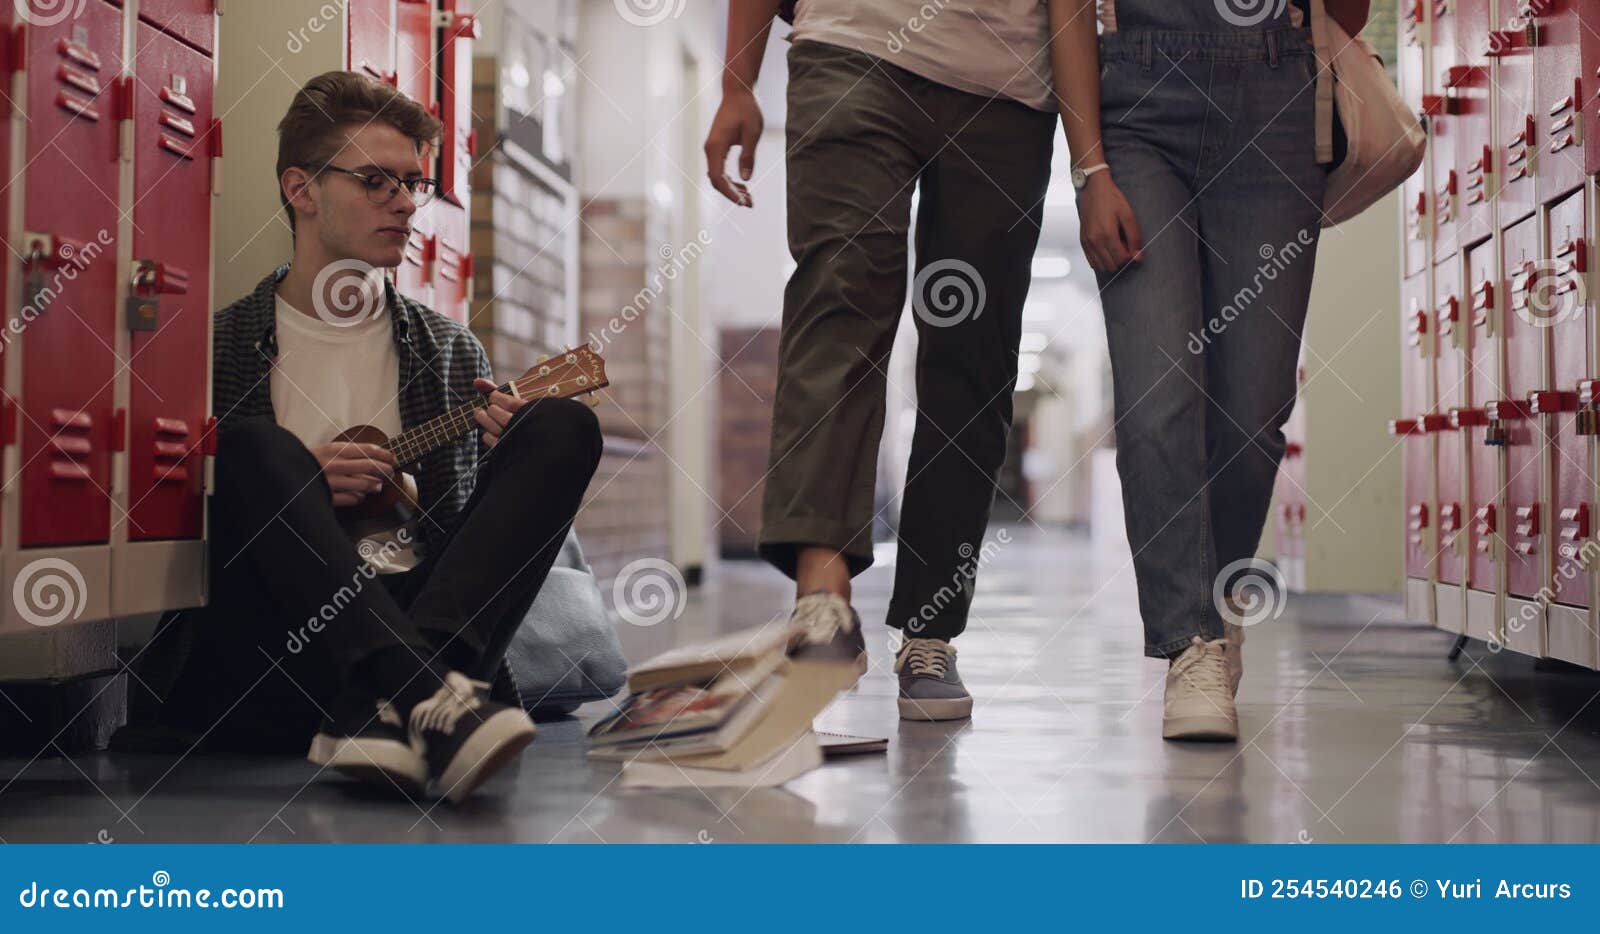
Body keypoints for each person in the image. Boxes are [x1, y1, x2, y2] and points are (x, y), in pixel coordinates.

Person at [150, 71, 603, 801]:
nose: (402, 202)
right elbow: (176, 525)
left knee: (561, 425)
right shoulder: (217, 347)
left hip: (419, 616)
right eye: (374, 181)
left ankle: (402, 699)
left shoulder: (452, 353)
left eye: (412, 184)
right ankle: (425, 698)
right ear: (301, 190)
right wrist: (297, 482)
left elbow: (460, 537)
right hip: (275, 652)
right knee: (253, 450)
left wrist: (498, 463)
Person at [706, 1, 1110, 720]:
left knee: (974, 353)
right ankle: (821, 599)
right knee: (838, 307)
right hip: (849, 44)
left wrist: (1092, 166)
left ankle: (930, 631)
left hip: (1004, 85)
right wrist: (739, 81)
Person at [1087, 0, 1368, 741]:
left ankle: (1217, 598)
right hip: (1138, 104)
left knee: (1254, 413)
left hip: (1276, 99)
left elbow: (1352, 12)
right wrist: (1089, 166)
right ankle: (1192, 645)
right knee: (1158, 396)